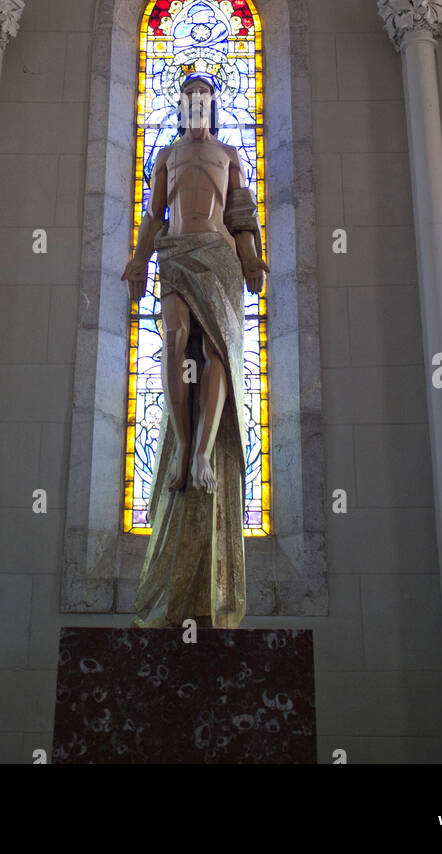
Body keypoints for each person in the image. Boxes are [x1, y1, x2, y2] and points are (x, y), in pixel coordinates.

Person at [121, 73, 268, 628]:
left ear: (214, 106)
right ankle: (183, 447)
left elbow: (242, 219)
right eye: (188, 100)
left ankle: (204, 451)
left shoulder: (231, 154)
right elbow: (154, 214)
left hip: (221, 256)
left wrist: (252, 261)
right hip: (177, 253)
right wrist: (139, 259)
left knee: (216, 353)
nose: (196, 108)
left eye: (204, 99)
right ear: (181, 108)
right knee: (178, 338)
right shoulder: (166, 156)